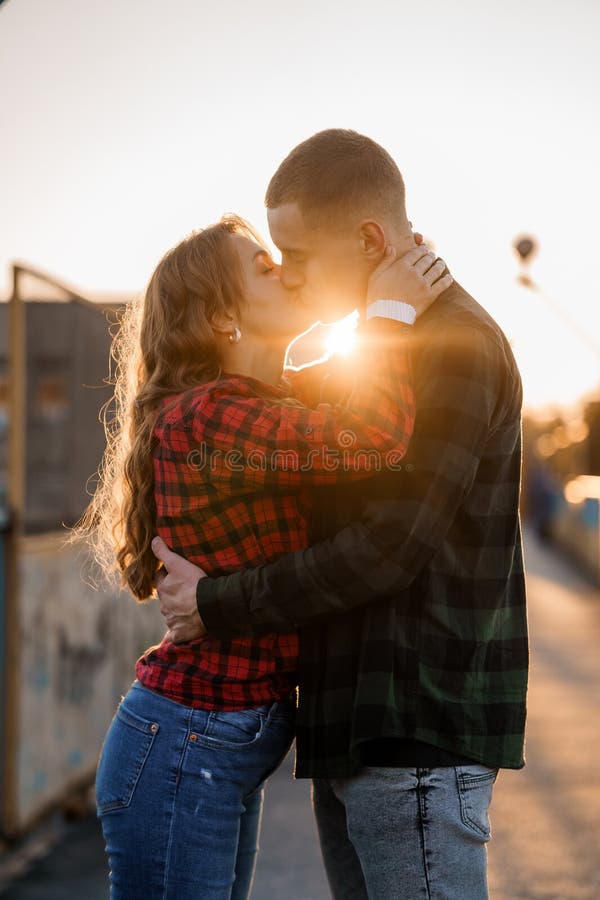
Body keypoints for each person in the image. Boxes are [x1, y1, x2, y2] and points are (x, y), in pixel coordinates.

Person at [153, 129, 528, 900]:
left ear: (368, 240)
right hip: (356, 735)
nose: (288, 275)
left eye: (296, 255)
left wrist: (216, 603)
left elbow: (389, 547)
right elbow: (301, 432)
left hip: (412, 736)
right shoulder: (383, 343)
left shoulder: (451, 346)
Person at [78, 211, 450, 899]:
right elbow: (369, 435)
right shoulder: (209, 416)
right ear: (224, 317)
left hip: (211, 747)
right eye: (264, 266)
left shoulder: (259, 403)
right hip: (186, 743)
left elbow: (340, 394)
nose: (288, 272)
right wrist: (391, 313)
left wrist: (387, 273)